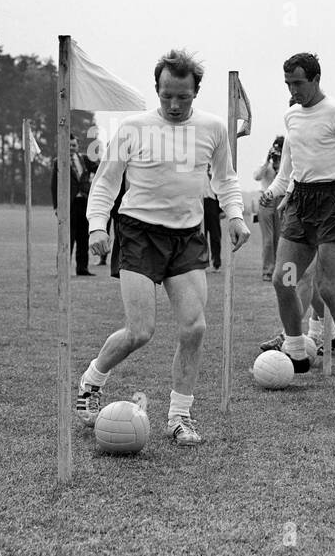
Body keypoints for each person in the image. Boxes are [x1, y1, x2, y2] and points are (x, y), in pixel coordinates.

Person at [76, 49, 249, 446]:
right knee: (140, 331)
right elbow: (105, 183)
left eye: (183, 97)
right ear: (157, 89)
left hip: (187, 236)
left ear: (196, 93)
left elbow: (226, 180)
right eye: (167, 95)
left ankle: (179, 416)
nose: (174, 104)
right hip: (138, 233)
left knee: (195, 326)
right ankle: (91, 381)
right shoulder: (134, 128)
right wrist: (96, 228)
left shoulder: (213, 128)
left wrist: (235, 216)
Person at [259, 52, 335, 391]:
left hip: (333, 203)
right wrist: (273, 191)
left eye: (298, 83)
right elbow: (289, 163)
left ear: (315, 79)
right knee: (283, 280)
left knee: (327, 288)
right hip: (300, 203)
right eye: (288, 84)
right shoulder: (291, 117)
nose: (293, 90)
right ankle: (297, 351)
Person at [51, 136, 94, 274]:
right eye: (68, 145)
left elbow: (100, 169)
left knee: (83, 238)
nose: (71, 148)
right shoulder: (58, 162)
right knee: (67, 237)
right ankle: (62, 269)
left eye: (73, 145)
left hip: (85, 203)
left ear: (78, 146)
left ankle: (82, 268)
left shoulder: (85, 159)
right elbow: (53, 185)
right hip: (69, 204)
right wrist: (57, 206)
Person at [252, 136, 284, 281]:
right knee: (268, 239)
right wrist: (267, 161)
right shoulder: (267, 164)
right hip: (265, 199)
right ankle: (267, 270)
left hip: (282, 200)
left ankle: (278, 270)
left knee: (279, 238)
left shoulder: (286, 163)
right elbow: (257, 176)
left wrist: (280, 164)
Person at [202, 165, 223, 272]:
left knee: (215, 235)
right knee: (201, 235)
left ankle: (216, 263)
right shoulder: (197, 170)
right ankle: (202, 263)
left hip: (212, 203)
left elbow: (220, 188)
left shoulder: (214, 171)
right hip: (200, 202)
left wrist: (221, 209)